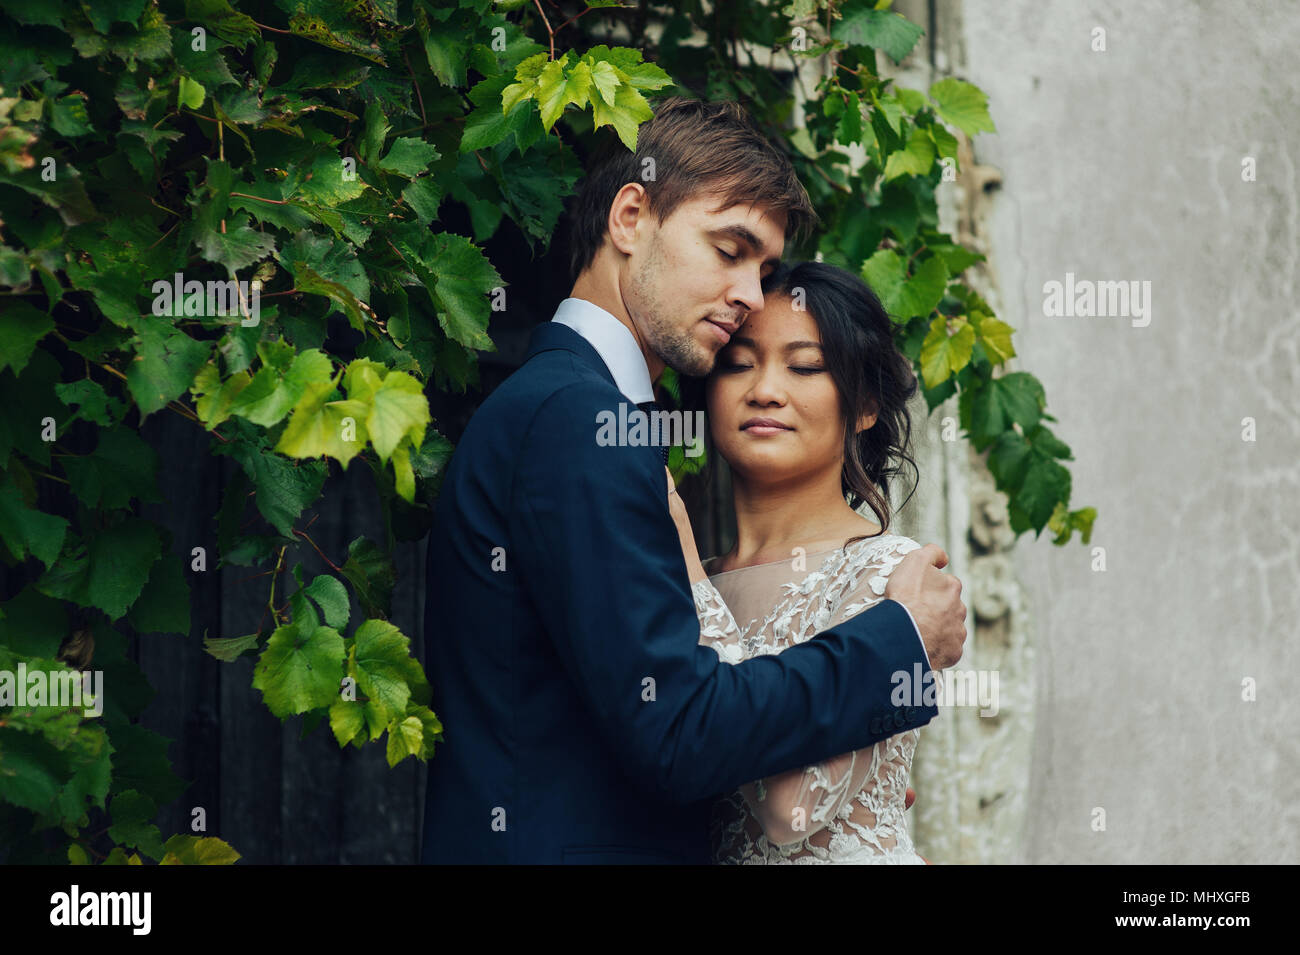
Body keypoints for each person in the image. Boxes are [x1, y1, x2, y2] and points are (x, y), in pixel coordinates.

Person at [420, 97, 966, 864]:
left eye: (765, 268)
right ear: (631, 217)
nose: (749, 294)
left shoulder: (568, 410)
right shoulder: (578, 421)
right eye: (729, 249)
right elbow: (677, 731)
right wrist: (898, 640)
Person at [669, 260, 938, 863]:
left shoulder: (895, 576)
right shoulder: (702, 577)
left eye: (805, 366)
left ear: (864, 404)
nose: (764, 389)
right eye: (738, 364)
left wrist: (683, 568)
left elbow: (790, 809)